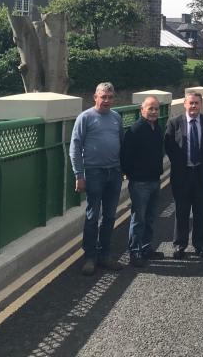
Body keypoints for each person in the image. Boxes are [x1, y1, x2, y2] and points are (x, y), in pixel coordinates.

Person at [70, 82, 124, 275]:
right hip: (94, 173)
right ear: (95, 97)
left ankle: (105, 255)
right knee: (93, 216)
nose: (107, 101)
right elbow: (75, 148)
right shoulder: (85, 117)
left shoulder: (116, 117)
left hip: (114, 172)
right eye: (103, 97)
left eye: (110, 97)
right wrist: (79, 175)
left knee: (110, 216)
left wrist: (122, 169)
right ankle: (90, 257)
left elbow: (121, 143)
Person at [164, 91, 203, 259]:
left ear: (201, 105)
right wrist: (181, 163)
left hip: (201, 174)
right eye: (191, 103)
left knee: (200, 211)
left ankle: (200, 245)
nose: (193, 106)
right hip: (182, 175)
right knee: (181, 211)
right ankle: (180, 245)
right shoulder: (174, 123)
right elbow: (169, 147)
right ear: (185, 104)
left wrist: (201, 161)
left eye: (196, 103)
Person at [120, 96, 165, 268]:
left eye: (156, 108)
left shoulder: (157, 127)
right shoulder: (135, 130)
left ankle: (146, 248)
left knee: (150, 217)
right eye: (150, 108)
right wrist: (133, 175)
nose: (154, 112)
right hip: (140, 182)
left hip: (154, 180)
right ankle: (135, 252)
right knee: (138, 218)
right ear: (142, 109)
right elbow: (125, 157)